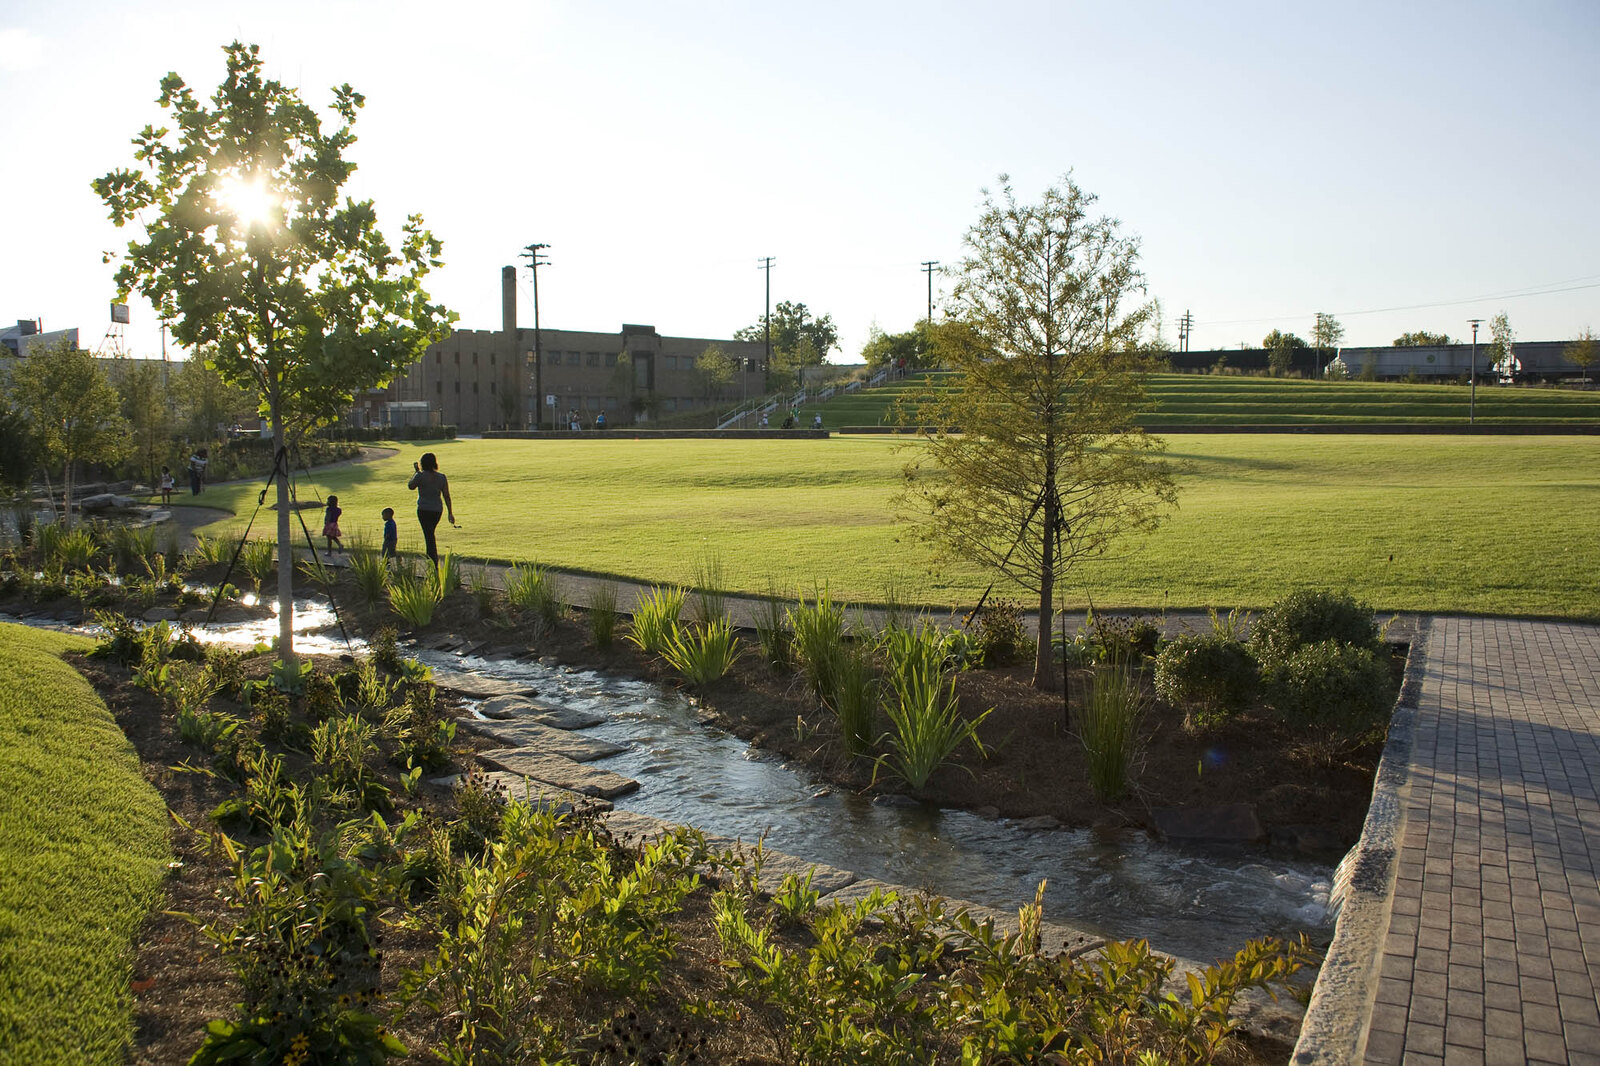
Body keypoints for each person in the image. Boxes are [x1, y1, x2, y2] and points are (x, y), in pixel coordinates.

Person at [407, 452, 455, 568]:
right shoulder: (442, 477)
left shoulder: (420, 476)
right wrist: (450, 512)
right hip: (437, 510)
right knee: (430, 534)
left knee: (429, 535)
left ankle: (432, 561)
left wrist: (416, 472)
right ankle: (432, 560)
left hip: (423, 509)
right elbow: (446, 495)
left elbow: (411, 486)